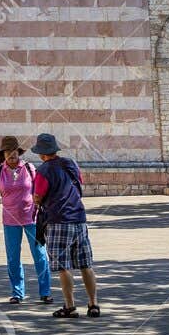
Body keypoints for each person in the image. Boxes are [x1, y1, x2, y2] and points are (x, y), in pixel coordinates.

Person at [30, 134, 99, 318]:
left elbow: (37, 196)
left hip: (58, 220)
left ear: (41, 153)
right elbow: (79, 184)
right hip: (79, 218)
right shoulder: (71, 164)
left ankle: (70, 306)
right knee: (86, 264)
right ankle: (93, 304)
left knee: (63, 266)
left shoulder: (43, 171)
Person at [0, 137, 52, 304]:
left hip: (32, 218)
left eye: (14, 151)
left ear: (19, 152)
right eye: (8, 152)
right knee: (13, 258)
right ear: (3, 155)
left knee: (40, 255)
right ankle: (17, 292)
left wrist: (46, 211)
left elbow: (40, 189)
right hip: (10, 220)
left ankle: (45, 291)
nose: (11, 155)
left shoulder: (29, 168)